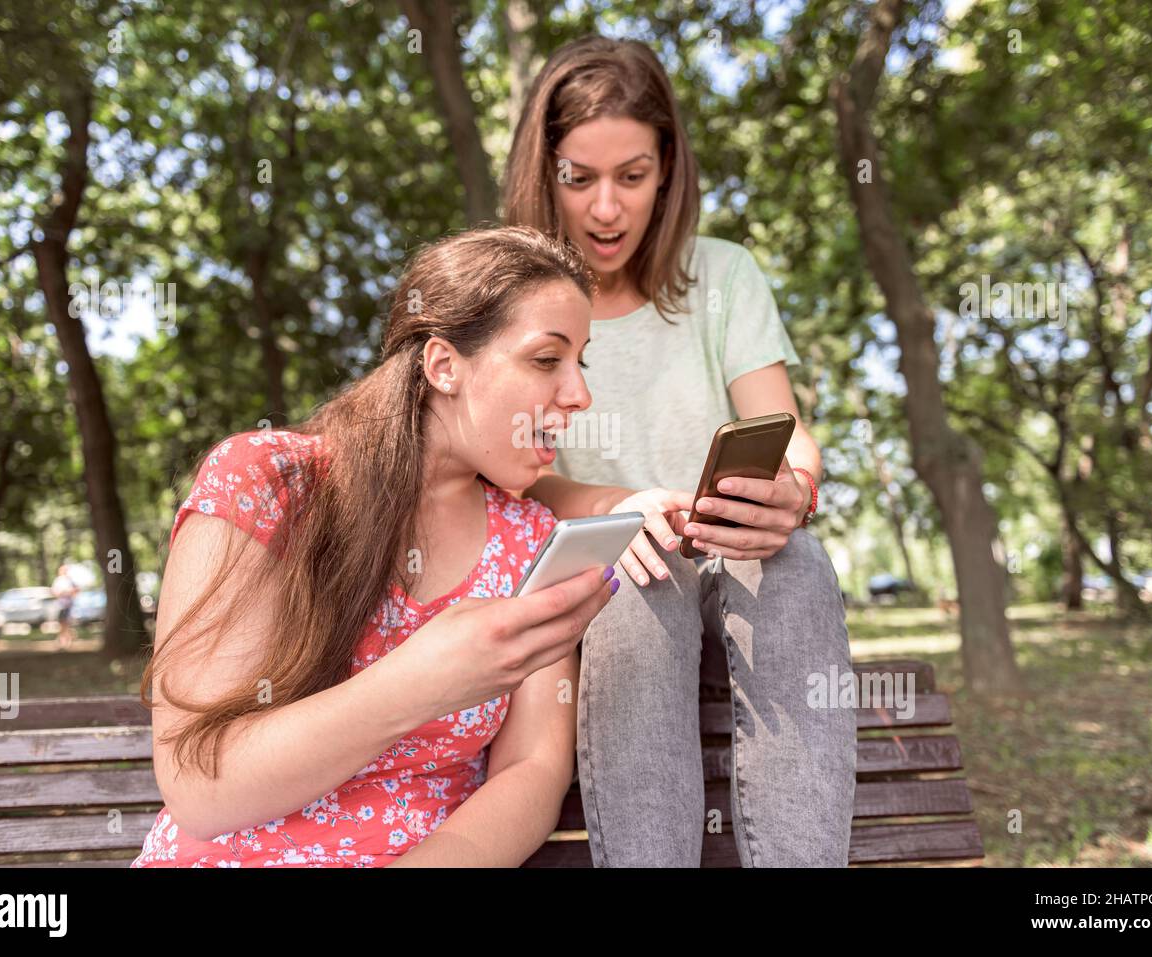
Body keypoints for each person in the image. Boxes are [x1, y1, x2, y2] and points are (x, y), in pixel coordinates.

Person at [131, 226, 618, 867]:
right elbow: (201, 792)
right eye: (546, 359)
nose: (580, 393)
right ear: (444, 366)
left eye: (581, 361)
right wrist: (422, 682)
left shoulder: (530, 540)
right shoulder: (265, 485)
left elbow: (533, 767)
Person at [503, 36, 857, 867]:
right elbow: (507, 475)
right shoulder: (516, 297)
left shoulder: (723, 276)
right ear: (542, 170)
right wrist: (613, 510)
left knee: (800, 564)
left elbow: (785, 427)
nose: (606, 210)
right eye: (578, 178)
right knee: (633, 576)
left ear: (669, 171)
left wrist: (795, 486)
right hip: (607, 574)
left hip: (727, 556)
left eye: (632, 176)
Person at [50, 564, 79, 650]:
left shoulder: (70, 580)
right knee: (62, 623)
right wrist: (63, 593)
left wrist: (70, 593)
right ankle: (63, 640)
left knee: (66, 623)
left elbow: (77, 590)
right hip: (61, 605)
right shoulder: (58, 580)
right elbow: (54, 592)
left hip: (69, 605)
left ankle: (66, 641)